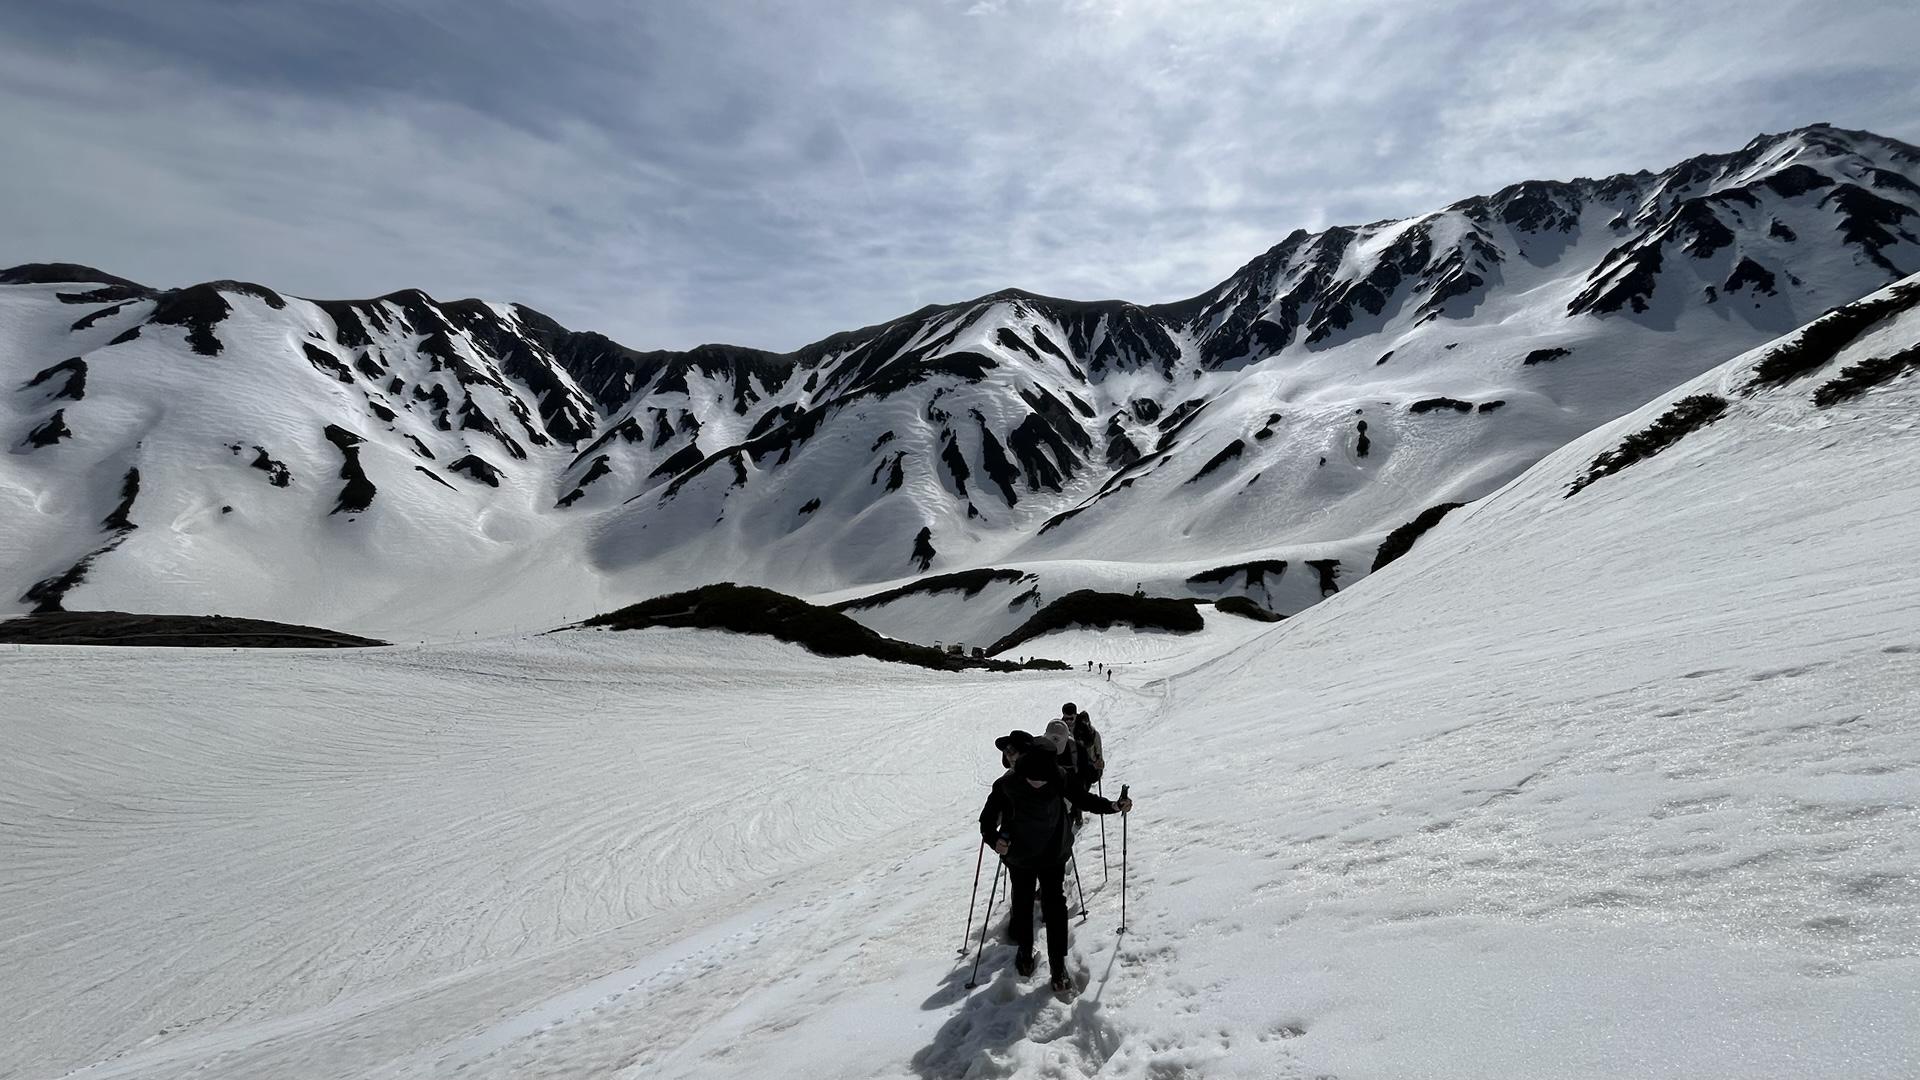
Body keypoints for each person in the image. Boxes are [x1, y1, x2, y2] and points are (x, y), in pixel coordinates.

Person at [979, 746, 1132, 993]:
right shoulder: (1006, 785)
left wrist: (1114, 806)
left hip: (1052, 852)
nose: (1037, 784)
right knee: (1023, 903)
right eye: (1032, 780)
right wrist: (994, 840)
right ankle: (1025, 951)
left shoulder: (1059, 777)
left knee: (1055, 907)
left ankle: (1057, 966)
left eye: (1042, 780)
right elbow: (986, 820)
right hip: (1020, 856)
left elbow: (1084, 800)